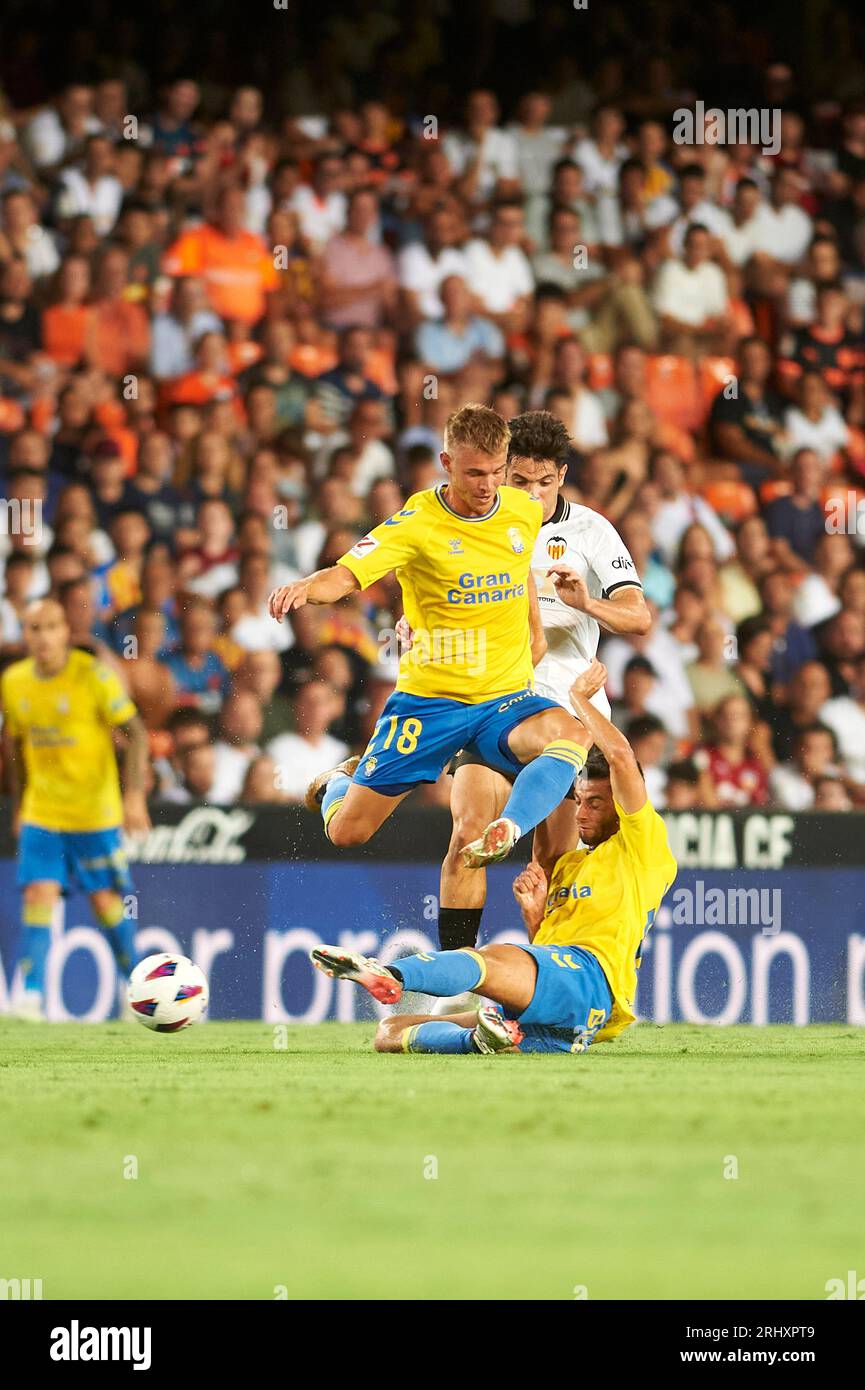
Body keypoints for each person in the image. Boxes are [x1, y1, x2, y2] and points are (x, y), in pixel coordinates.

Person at [267, 403, 595, 868]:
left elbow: (517, 572)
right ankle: (338, 783)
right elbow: (346, 574)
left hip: (501, 698)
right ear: (447, 464)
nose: (487, 486)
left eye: (498, 472)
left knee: (573, 733)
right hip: (432, 702)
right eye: (475, 473)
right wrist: (305, 587)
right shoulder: (415, 523)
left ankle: (510, 827)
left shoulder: (523, 511)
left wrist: (534, 638)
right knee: (347, 832)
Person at [311, 658, 677, 1056]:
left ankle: (391, 973)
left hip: (590, 979)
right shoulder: (570, 866)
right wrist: (535, 917)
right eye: (580, 801)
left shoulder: (642, 843)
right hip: (569, 1009)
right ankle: (483, 1040)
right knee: (390, 1032)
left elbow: (622, 758)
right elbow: (546, 952)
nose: (580, 812)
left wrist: (578, 700)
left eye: (594, 804)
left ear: (621, 807)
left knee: (488, 960)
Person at [435, 409, 648, 959]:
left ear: (562, 475)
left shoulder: (591, 531)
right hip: (494, 701)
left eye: (544, 482)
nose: (531, 494)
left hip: (568, 713)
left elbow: (638, 616)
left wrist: (586, 603)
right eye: (518, 481)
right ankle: (455, 984)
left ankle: (547, 988)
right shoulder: (476, 523)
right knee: (467, 835)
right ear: (502, 472)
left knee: (551, 863)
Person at [0, 597, 150, 1021]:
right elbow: (15, 746)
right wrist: (18, 803)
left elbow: (136, 735)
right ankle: (30, 995)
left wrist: (134, 796)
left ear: (66, 631)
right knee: (38, 892)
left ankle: (134, 987)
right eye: (34, 628)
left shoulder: (93, 676)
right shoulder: (13, 681)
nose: (43, 636)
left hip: (94, 812)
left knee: (105, 901)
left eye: (51, 626)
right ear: (24, 635)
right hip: (42, 812)